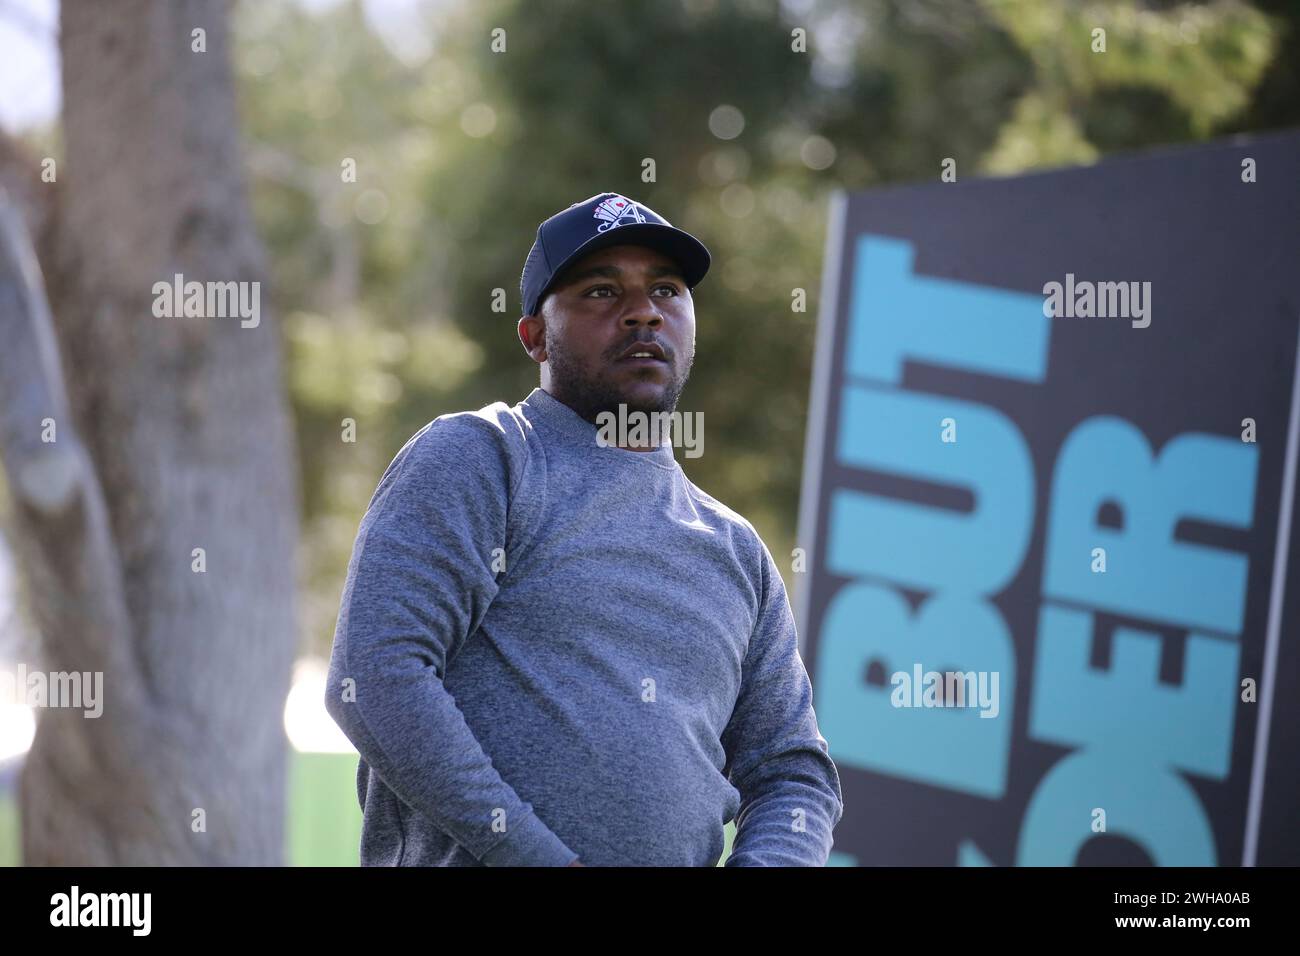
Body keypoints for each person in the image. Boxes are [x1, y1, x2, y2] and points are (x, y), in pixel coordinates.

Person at [325, 191, 843, 866]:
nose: (643, 311)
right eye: (601, 291)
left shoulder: (736, 550)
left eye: (667, 290)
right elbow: (375, 678)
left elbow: (793, 774)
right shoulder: (483, 457)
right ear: (534, 335)